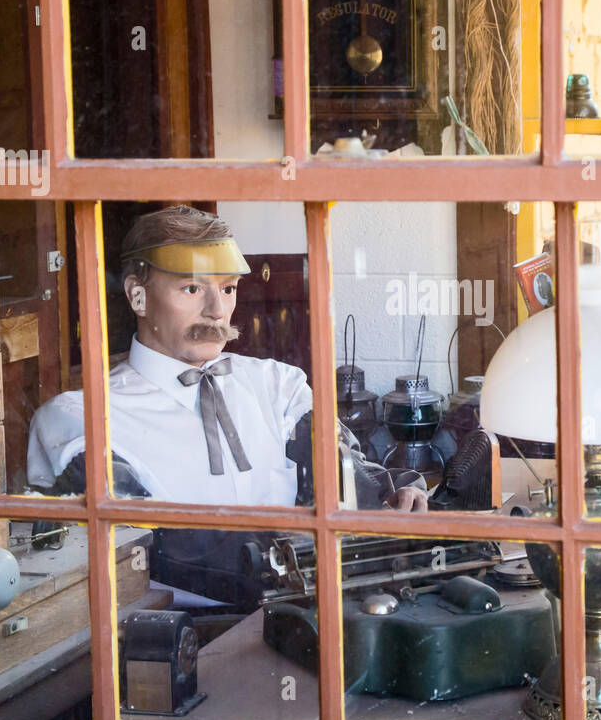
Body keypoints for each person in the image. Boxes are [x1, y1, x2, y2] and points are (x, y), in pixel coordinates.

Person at [26, 205, 425, 606]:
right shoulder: (82, 419)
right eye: (193, 289)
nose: (217, 310)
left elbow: (344, 475)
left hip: (314, 612)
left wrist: (395, 495)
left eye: (229, 288)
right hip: (182, 642)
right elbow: (162, 549)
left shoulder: (279, 384)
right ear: (138, 296)